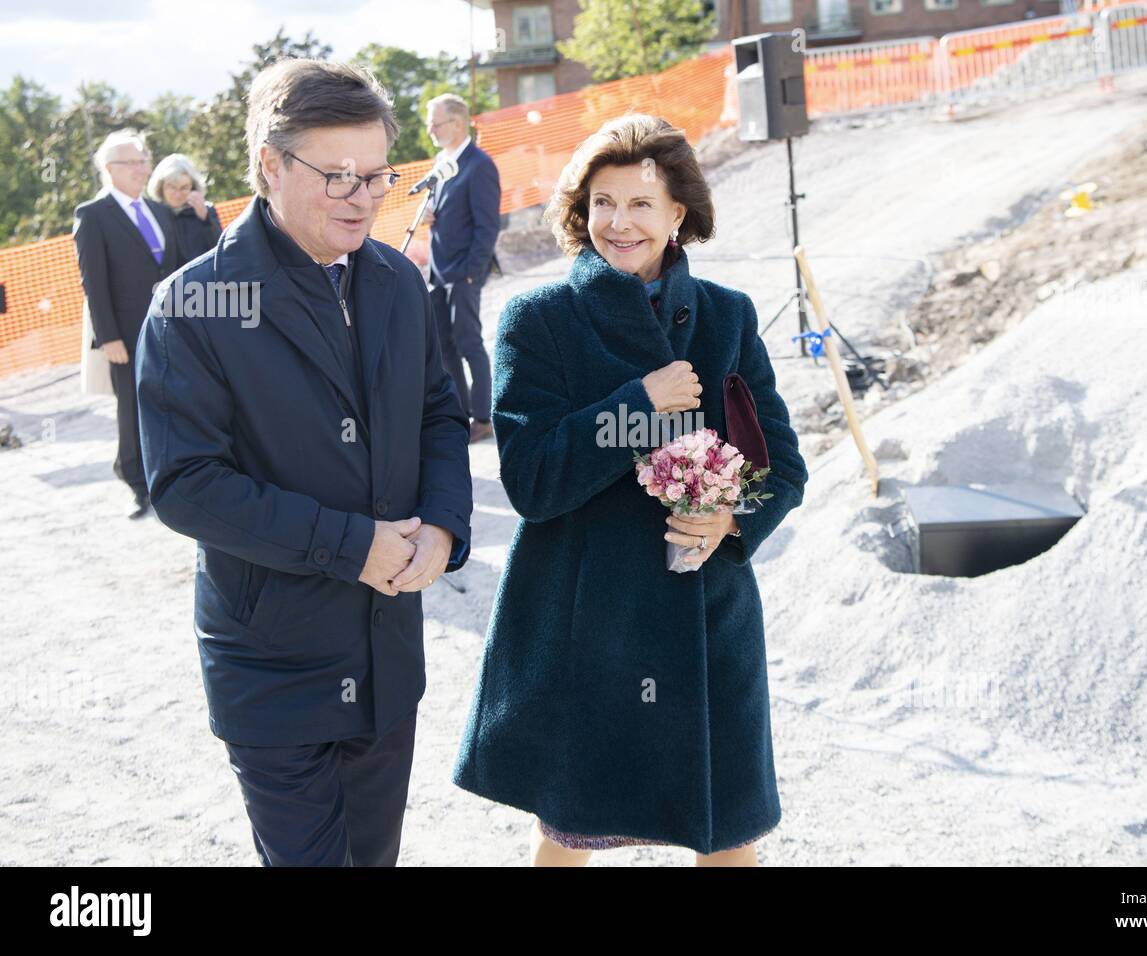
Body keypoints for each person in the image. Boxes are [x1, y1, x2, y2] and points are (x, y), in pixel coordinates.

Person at [134, 58, 474, 866]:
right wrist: (351, 545)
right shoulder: (193, 305)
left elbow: (439, 414)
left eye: (377, 176)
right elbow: (187, 486)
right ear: (269, 165)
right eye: (337, 176)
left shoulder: (395, 279)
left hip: (387, 655)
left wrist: (445, 526)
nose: (362, 197)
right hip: (274, 666)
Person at [451, 113, 808, 866]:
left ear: (678, 213)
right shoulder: (537, 319)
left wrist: (730, 522)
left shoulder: (726, 315)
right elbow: (533, 481)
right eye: (603, 202)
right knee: (570, 831)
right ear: (580, 211)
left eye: (641, 203)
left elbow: (781, 464)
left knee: (726, 831)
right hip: (589, 621)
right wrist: (638, 406)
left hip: (708, 617)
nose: (620, 222)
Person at [72, 130, 181, 518]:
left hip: (170, 329)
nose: (142, 168)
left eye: (144, 160)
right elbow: (94, 283)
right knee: (133, 409)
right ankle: (137, 481)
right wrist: (108, 338)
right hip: (125, 336)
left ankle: (171, 471)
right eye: (132, 162)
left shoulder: (161, 210)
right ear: (108, 168)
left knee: (172, 401)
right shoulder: (93, 215)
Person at [420, 93, 501, 443]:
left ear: (456, 123)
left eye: (434, 123)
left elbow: (488, 226)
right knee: (444, 346)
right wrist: (429, 215)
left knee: (469, 343)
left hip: (464, 272)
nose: (430, 130)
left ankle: (482, 418)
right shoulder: (442, 164)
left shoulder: (479, 165)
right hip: (439, 272)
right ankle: (461, 413)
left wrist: (472, 271)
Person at [148, 153, 223, 263]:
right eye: (172, 187)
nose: (177, 194)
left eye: (184, 188)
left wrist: (205, 219)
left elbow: (220, 250)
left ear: (193, 188)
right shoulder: (152, 214)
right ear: (160, 187)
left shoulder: (205, 211)